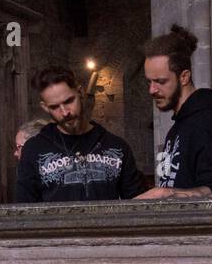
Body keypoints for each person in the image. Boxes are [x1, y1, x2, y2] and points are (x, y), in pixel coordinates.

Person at [139, 25, 212, 199]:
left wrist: (167, 193)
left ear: (184, 77)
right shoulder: (177, 127)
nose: (152, 90)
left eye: (160, 81)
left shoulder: (210, 120)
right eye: (149, 81)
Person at [15, 67, 144, 202]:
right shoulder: (34, 149)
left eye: (69, 101)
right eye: (54, 107)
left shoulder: (116, 147)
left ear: (80, 91)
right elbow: (25, 209)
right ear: (45, 107)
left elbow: (135, 203)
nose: (65, 112)